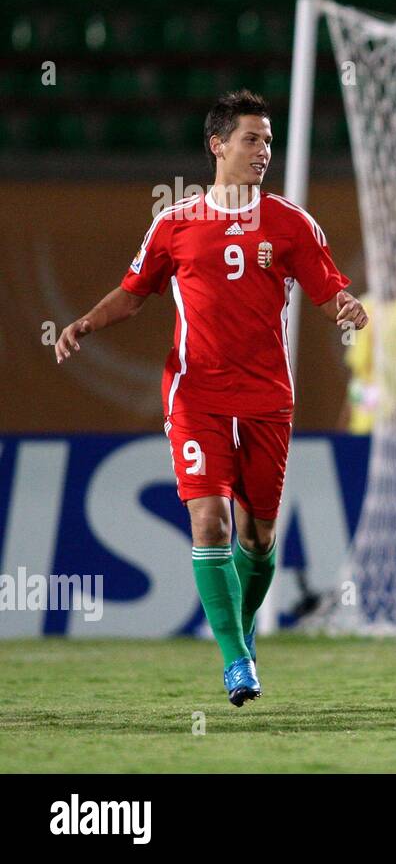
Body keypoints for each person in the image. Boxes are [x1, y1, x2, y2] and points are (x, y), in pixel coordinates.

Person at [56, 89, 367, 706]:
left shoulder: (290, 222)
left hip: (267, 396)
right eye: (251, 139)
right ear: (217, 144)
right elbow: (133, 290)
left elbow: (327, 289)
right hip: (195, 391)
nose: (263, 152)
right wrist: (86, 323)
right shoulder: (173, 223)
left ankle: (240, 634)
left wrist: (346, 307)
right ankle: (235, 662)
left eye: (269, 142)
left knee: (257, 536)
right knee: (210, 518)